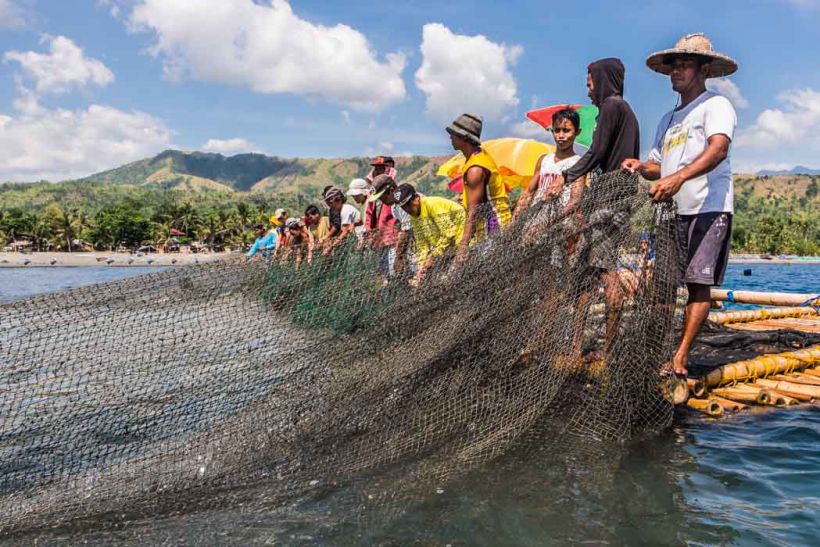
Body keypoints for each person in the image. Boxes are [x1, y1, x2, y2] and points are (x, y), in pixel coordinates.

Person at [622, 33, 738, 377]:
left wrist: (679, 179)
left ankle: (680, 357)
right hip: (673, 213)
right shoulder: (668, 120)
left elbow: (718, 150)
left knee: (697, 284)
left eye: (686, 64)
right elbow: (660, 164)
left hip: (709, 208)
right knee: (661, 287)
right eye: (674, 65)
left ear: (704, 69)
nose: (677, 71)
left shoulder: (716, 105)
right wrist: (641, 167)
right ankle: (656, 351)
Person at [549, 59, 641, 360]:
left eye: (590, 83)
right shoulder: (613, 111)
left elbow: (597, 152)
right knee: (586, 276)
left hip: (611, 204)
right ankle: (576, 347)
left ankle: (609, 351)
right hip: (603, 203)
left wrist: (566, 176)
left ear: (602, 81)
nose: (588, 90)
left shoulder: (614, 106)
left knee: (606, 271)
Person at [445, 113, 511, 257]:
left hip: (493, 227)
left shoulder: (475, 169)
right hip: (488, 226)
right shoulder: (477, 157)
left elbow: (474, 212)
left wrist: (463, 247)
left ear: (464, 137)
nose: (451, 137)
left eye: (454, 134)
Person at [514, 107, 585, 224]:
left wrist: (549, 223)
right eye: (557, 130)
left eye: (566, 130)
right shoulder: (544, 160)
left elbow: (575, 201)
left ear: (577, 132)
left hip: (561, 225)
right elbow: (528, 193)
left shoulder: (578, 164)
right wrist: (515, 221)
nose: (561, 135)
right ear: (552, 131)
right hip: (535, 220)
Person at [394, 183, 465, 284]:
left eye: (407, 204)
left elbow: (449, 231)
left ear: (416, 198)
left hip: (463, 240)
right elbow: (422, 245)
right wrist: (421, 268)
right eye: (403, 207)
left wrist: (432, 256)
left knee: (453, 278)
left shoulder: (431, 204)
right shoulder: (413, 218)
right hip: (448, 249)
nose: (406, 209)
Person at [351, 177, 399, 278]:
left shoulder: (397, 200)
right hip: (379, 240)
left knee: (394, 270)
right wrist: (370, 235)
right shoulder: (371, 201)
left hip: (393, 239)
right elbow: (369, 218)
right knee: (385, 272)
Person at [369, 174, 415, 276]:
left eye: (382, 197)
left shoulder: (404, 202)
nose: (382, 201)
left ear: (391, 190)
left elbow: (406, 232)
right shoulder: (394, 208)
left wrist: (399, 257)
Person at [322, 185, 362, 254]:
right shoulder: (342, 211)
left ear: (337, 200)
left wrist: (331, 246)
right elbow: (342, 230)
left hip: (362, 238)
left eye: (331, 203)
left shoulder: (345, 210)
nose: (330, 206)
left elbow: (345, 232)